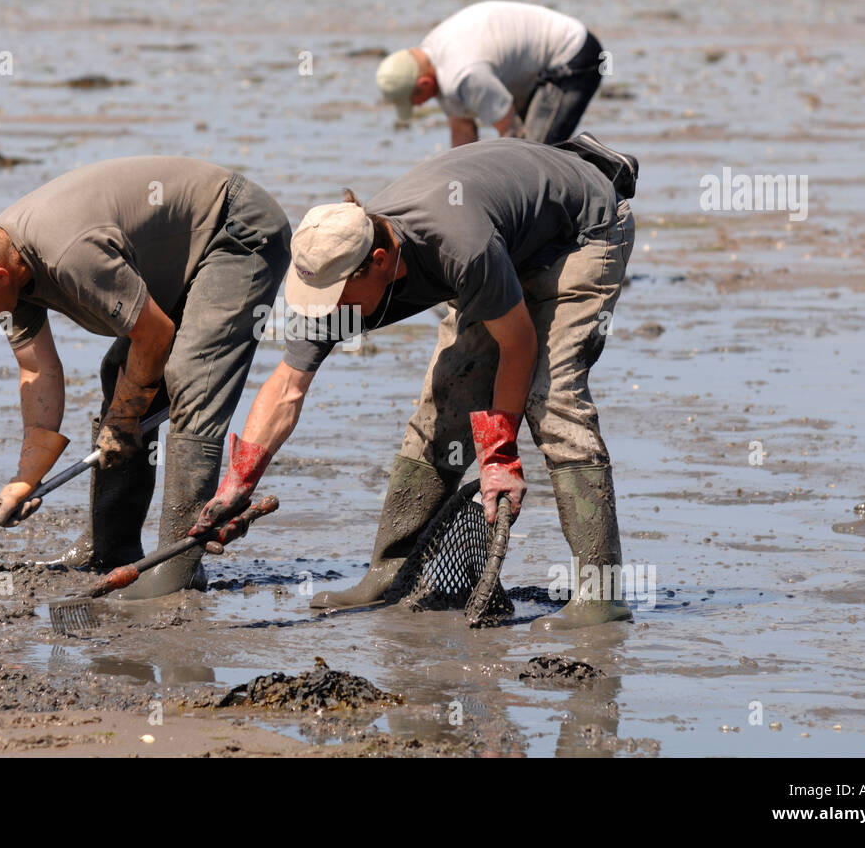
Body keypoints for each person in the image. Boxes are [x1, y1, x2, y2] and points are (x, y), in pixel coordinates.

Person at [191, 135, 638, 630]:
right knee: (449, 395)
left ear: (380, 262)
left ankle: (602, 595)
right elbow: (288, 385)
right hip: (505, 237)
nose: (329, 312)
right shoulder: (337, 264)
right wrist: (239, 481)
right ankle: (390, 571)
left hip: (582, 228)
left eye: (339, 298)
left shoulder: (457, 246)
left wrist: (500, 458)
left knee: (551, 398)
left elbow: (519, 345)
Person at [0, 156, 291, 597]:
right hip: (182, 256)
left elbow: (153, 337)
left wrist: (123, 419)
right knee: (121, 374)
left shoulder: (69, 254)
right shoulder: (5, 262)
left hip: (236, 233)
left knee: (192, 377)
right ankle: (110, 546)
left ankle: (178, 567)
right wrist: (24, 480)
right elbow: (38, 369)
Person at [375, 1, 605, 148]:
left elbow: (511, 131)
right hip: (537, 65)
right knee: (524, 158)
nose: (416, 107)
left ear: (424, 83)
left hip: (573, 55)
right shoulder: (431, 55)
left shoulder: (464, 75)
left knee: (534, 154)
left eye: (413, 102)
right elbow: (462, 129)